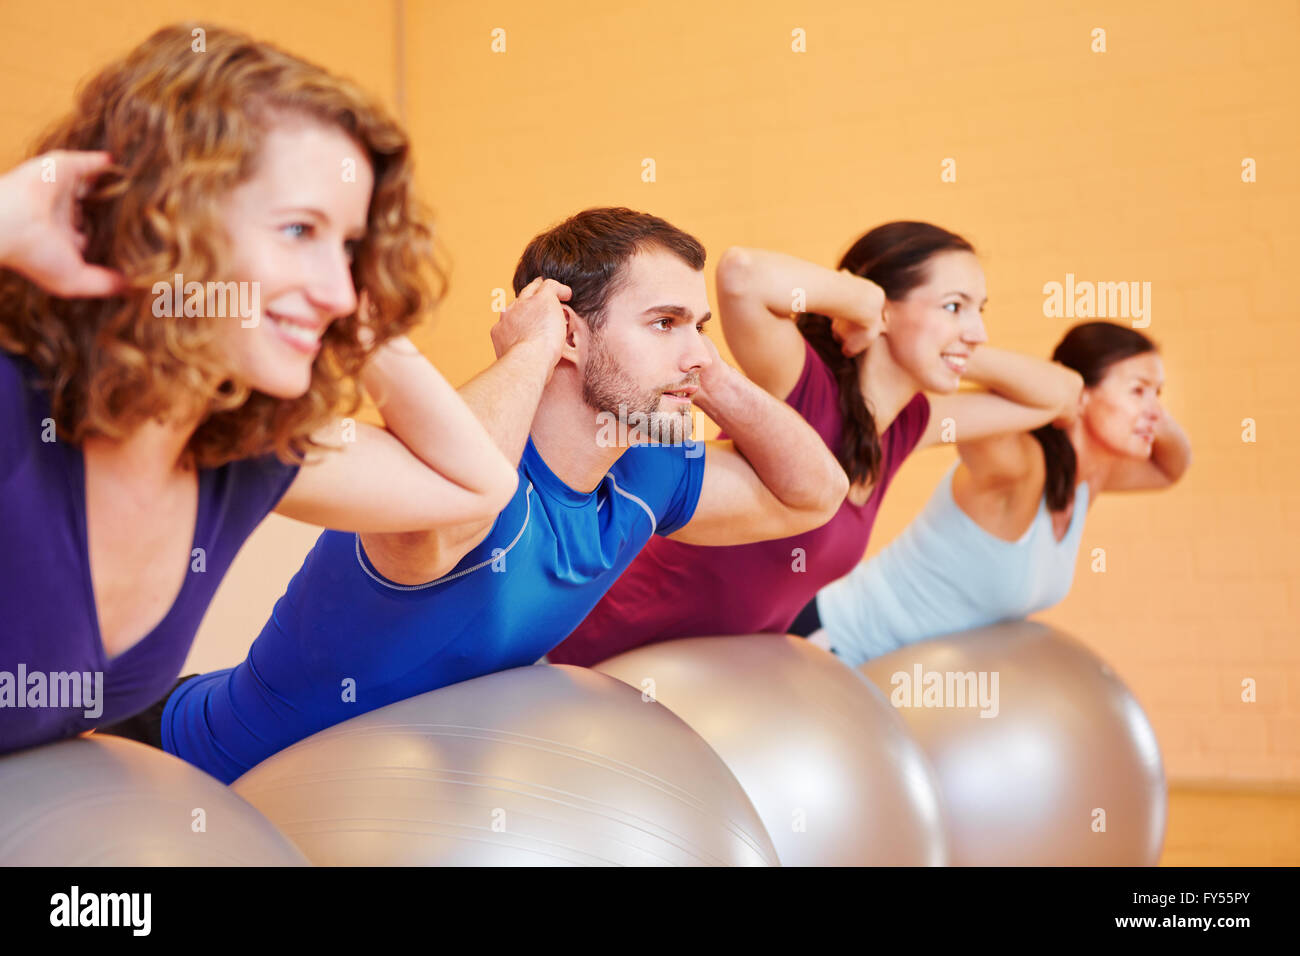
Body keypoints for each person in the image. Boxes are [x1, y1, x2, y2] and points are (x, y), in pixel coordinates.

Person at [150, 207, 850, 783]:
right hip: (196, 782)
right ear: (570, 332)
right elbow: (468, 497)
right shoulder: (443, 483)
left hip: (376, 809)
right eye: (664, 323)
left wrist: (709, 372)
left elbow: (813, 496)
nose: (695, 348)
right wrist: (531, 350)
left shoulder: (645, 474)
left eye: (699, 325)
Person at [0, 24, 518, 754]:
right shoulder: (15, 402)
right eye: (300, 229)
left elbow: (478, 485)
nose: (341, 288)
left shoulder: (237, 449)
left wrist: (356, 317)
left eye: (349, 246)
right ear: (164, 216)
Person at [549, 221, 1085, 666]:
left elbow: (1059, 396)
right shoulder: (800, 381)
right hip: (592, 657)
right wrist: (865, 303)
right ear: (887, 309)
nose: (976, 329)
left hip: (711, 685)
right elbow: (741, 274)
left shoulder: (909, 426)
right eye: (954, 307)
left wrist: (950, 346)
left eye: (979, 310)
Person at [800, 321, 1191, 663]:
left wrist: (1148, 396)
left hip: (895, 680)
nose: (1156, 409)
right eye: (1137, 391)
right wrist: (936, 350)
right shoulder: (1019, 466)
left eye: (1159, 393)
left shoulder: (1089, 481)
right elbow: (970, 399)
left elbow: (1172, 467)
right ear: (1082, 395)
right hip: (832, 644)